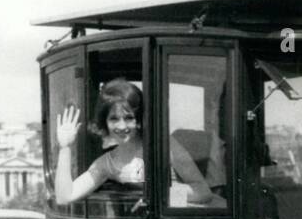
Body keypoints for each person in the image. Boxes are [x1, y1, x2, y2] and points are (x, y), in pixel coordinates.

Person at [53, 78, 215, 206]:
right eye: (114, 119)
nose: (122, 126)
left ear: (138, 119)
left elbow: (203, 191)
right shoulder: (107, 163)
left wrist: (159, 197)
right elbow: (64, 197)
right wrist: (65, 147)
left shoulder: (164, 145)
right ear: (105, 122)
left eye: (129, 118)